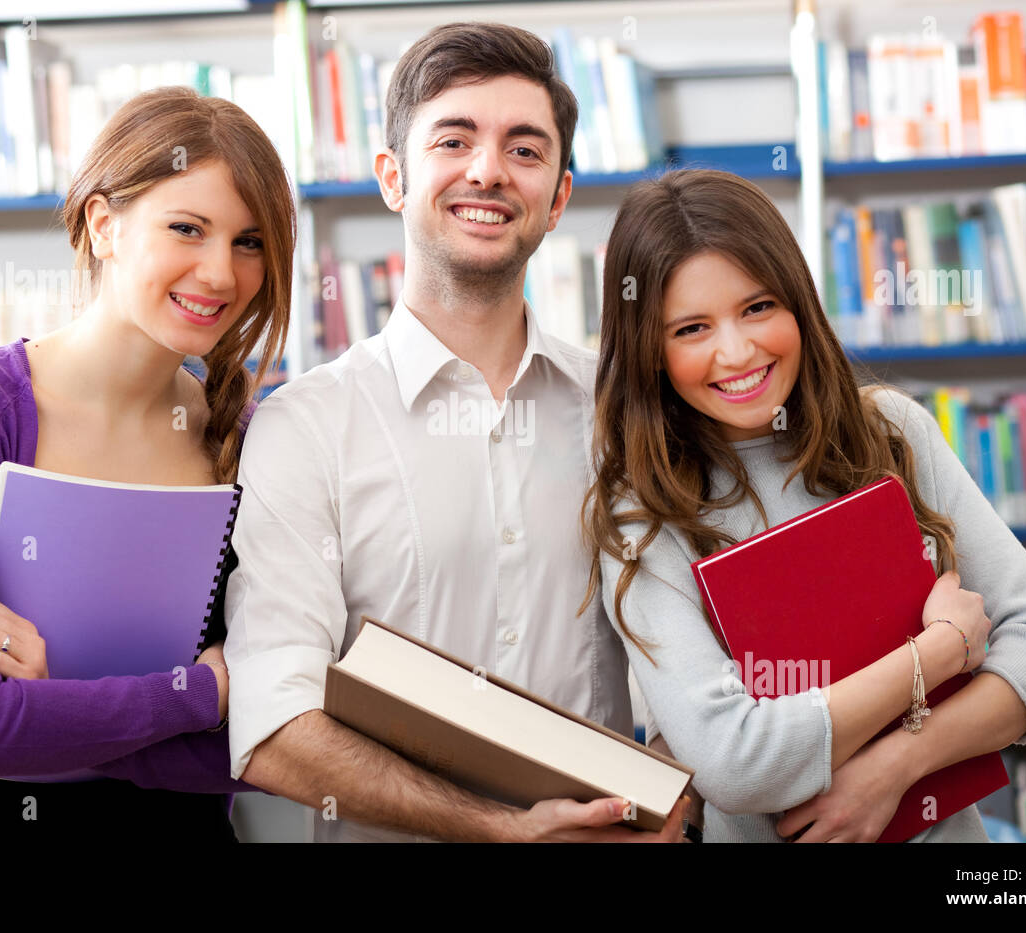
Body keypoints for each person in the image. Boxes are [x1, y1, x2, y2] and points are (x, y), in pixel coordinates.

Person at [224, 22, 685, 842]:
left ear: (559, 198)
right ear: (394, 177)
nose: (487, 171)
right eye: (454, 138)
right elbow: (270, 727)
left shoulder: (628, 410)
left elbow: (691, 663)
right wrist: (496, 827)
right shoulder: (305, 429)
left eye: (525, 148)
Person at [583, 168, 1026, 842]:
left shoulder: (891, 431)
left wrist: (894, 765)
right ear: (649, 349)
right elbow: (735, 762)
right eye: (692, 328)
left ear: (799, 301)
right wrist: (939, 652)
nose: (737, 351)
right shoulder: (642, 512)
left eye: (758, 307)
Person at [0, 86, 294, 842]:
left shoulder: (250, 439)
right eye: (187, 228)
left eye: (250, 241)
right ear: (104, 225)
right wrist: (201, 692)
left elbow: (261, 743)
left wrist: (56, 706)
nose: (221, 274)